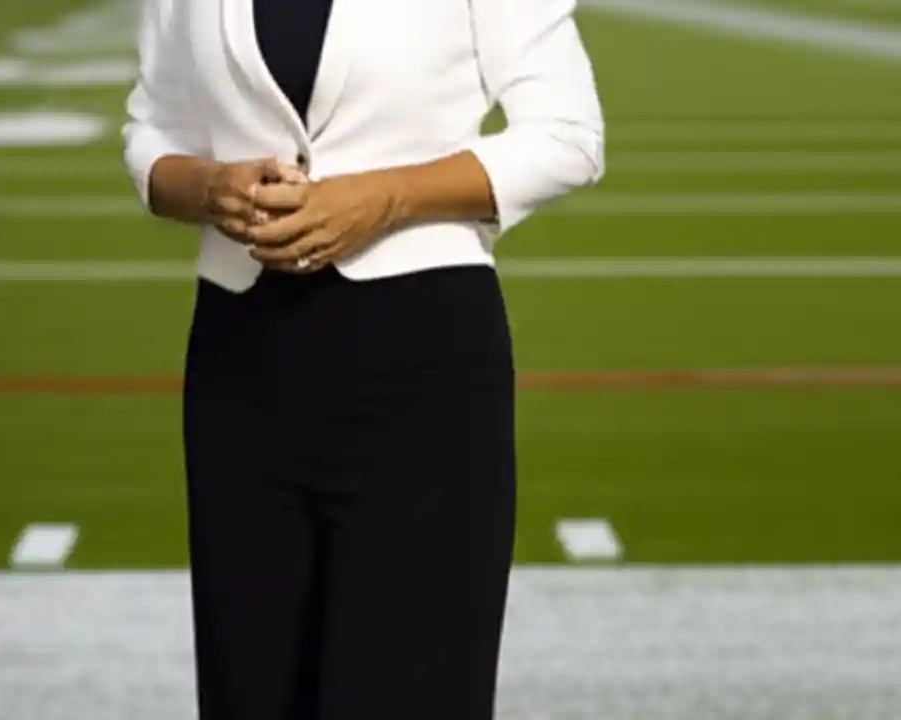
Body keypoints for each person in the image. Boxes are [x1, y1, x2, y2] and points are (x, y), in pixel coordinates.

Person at [122, 0, 604, 716]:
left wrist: (385, 198)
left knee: (410, 689)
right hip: (242, 371)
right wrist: (209, 188)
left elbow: (569, 135)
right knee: (250, 692)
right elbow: (152, 126)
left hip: (421, 375)